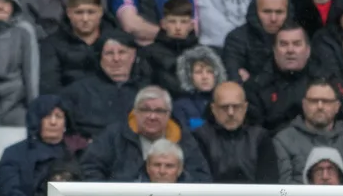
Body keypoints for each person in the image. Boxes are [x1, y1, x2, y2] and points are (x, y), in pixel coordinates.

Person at [79, 85, 211, 183]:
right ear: (135, 112)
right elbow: (90, 167)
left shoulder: (184, 139)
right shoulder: (114, 134)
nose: (152, 116)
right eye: (145, 110)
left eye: (159, 111)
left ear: (168, 115)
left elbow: (201, 178)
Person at [0, 95, 76, 196]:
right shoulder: (14, 154)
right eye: (47, 116)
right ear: (37, 120)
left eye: (59, 116)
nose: (53, 122)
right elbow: (9, 194)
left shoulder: (74, 153)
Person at [61, 31, 146, 141]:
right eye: (109, 53)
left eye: (122, 52)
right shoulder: (77, 92)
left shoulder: (147, 92)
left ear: (133, 55)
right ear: (100, 57)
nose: (116, 59)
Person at [192, 81, 278, 184]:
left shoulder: (260, 138)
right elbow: (199, 180)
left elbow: (268, 182)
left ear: (245, 107)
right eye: (224, 107)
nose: (230, 113)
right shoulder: (199, 137)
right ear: (213, 109)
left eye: (236, 107)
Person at [274, 79, 343, 185]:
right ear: (304, 105)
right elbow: (282, 191)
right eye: (313, 101)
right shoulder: (283, 140)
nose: (320, 106)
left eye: (326, 101)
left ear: (337, 106)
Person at [39, 0, 111, 97]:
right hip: (70, 107)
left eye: (91, 12)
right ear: (69, 13)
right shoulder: (52, 44)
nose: (85, 18)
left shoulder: (117, 40)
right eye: (79, 12)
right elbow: (49, 89)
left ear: (100, 12)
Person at [246, 24, 319, 133]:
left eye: (297, 44)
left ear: (308, 50)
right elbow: (255, 135)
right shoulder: (256, 86)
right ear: (274, 50)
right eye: (283, 44)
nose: (290, 50)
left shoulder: (326, 80)